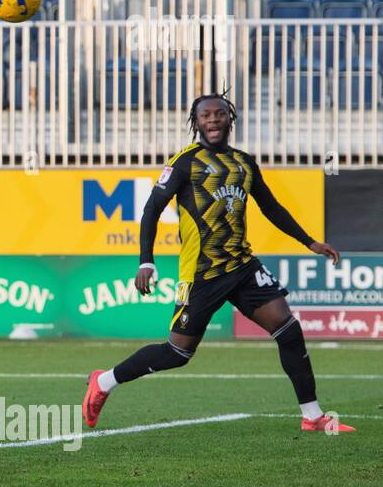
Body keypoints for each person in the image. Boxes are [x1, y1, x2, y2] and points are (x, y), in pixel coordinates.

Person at [83, 94, 354, 437]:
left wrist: (309, 242)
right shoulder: (184, 163)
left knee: (288, 329)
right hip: (202, 272)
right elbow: (151, 210)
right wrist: (146, 262)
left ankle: (312, 416)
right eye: (205, 116)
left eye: (219, 114)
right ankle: (104, 381)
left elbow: (271, 207)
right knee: (178, 352)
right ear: (196, 123)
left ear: (230, 119)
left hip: (242, 266)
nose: (213, 120)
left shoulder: (244, 163)